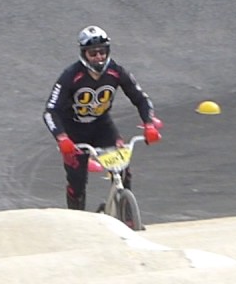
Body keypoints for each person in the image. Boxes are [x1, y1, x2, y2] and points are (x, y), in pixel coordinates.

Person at [43, 25, 161, 211]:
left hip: (102, 126)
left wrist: (149, 124)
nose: (99, 57)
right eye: (93, 53)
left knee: (122, 170)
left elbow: (141, 98)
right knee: (77, 181)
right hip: (74, 130)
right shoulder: (70, 76)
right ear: (84, 54)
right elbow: (50, 111)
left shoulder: (116, 71)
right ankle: (77, 220)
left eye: (102, 52)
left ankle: (127, 215)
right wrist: (61, 137)